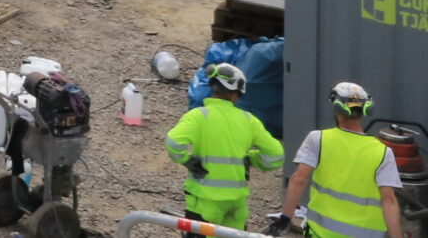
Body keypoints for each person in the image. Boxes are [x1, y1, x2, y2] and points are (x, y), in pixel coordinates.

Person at [167, 62, 284, 230]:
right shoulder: (249, 120)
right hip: (236, 203)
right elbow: (276, 155)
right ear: (236, 95)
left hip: (205, 202)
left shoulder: (199, 116)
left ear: (212, 88)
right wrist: (251, 159)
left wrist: (187, 161)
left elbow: (173, 142)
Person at [280, 82, 403, 238]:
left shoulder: (318, 140)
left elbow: (298, 180)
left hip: (321, 233)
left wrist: (285, 218)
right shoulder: (383, 152)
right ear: (365, 110)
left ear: (337, 108)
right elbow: (389, 201)